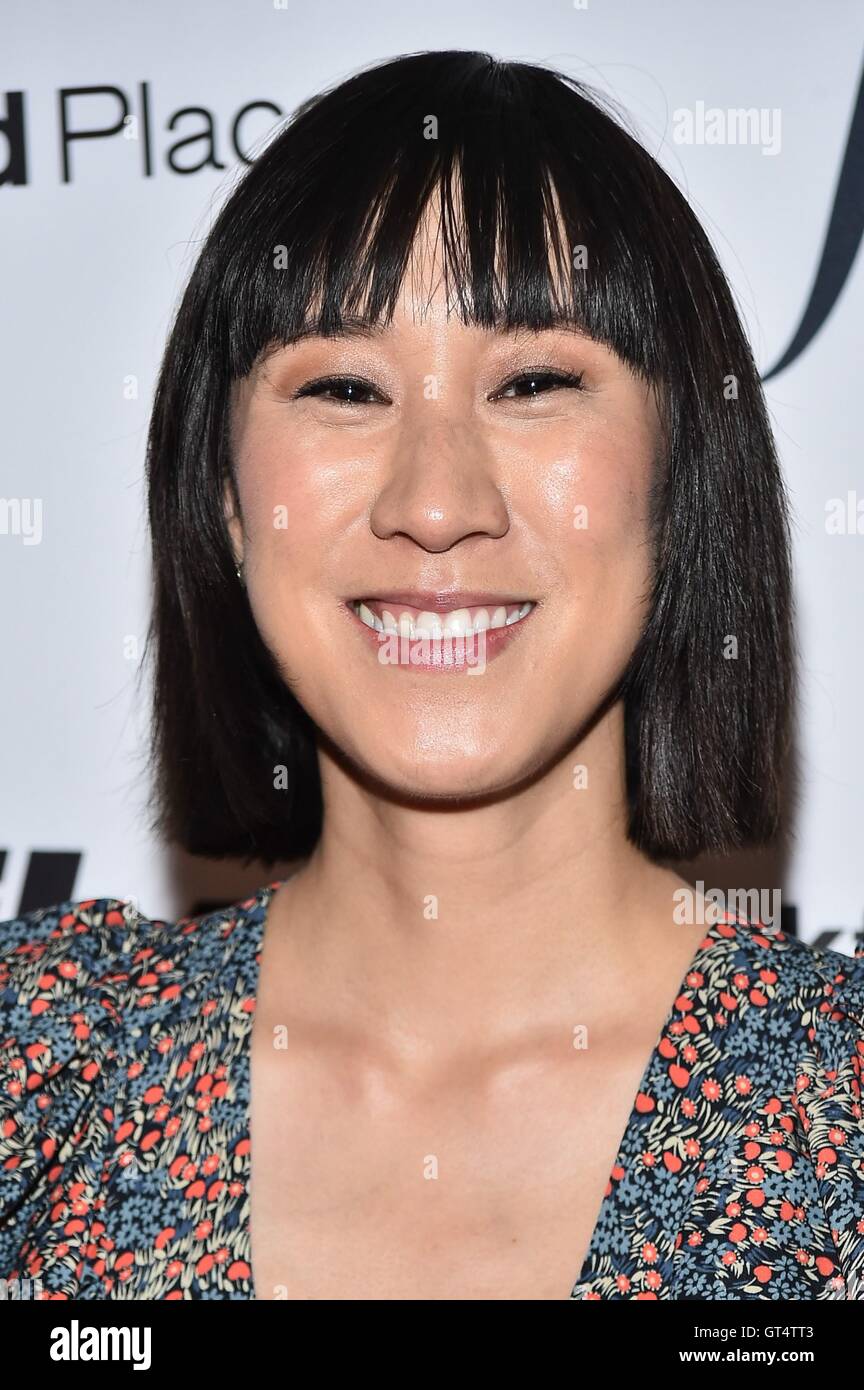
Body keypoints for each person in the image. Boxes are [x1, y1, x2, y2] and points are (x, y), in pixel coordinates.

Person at [2, 49, 862, 1302]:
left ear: (679, 481)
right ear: (227, 502)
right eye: (344, 388)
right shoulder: (40, 1071)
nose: (437, 502)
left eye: (534, 382)